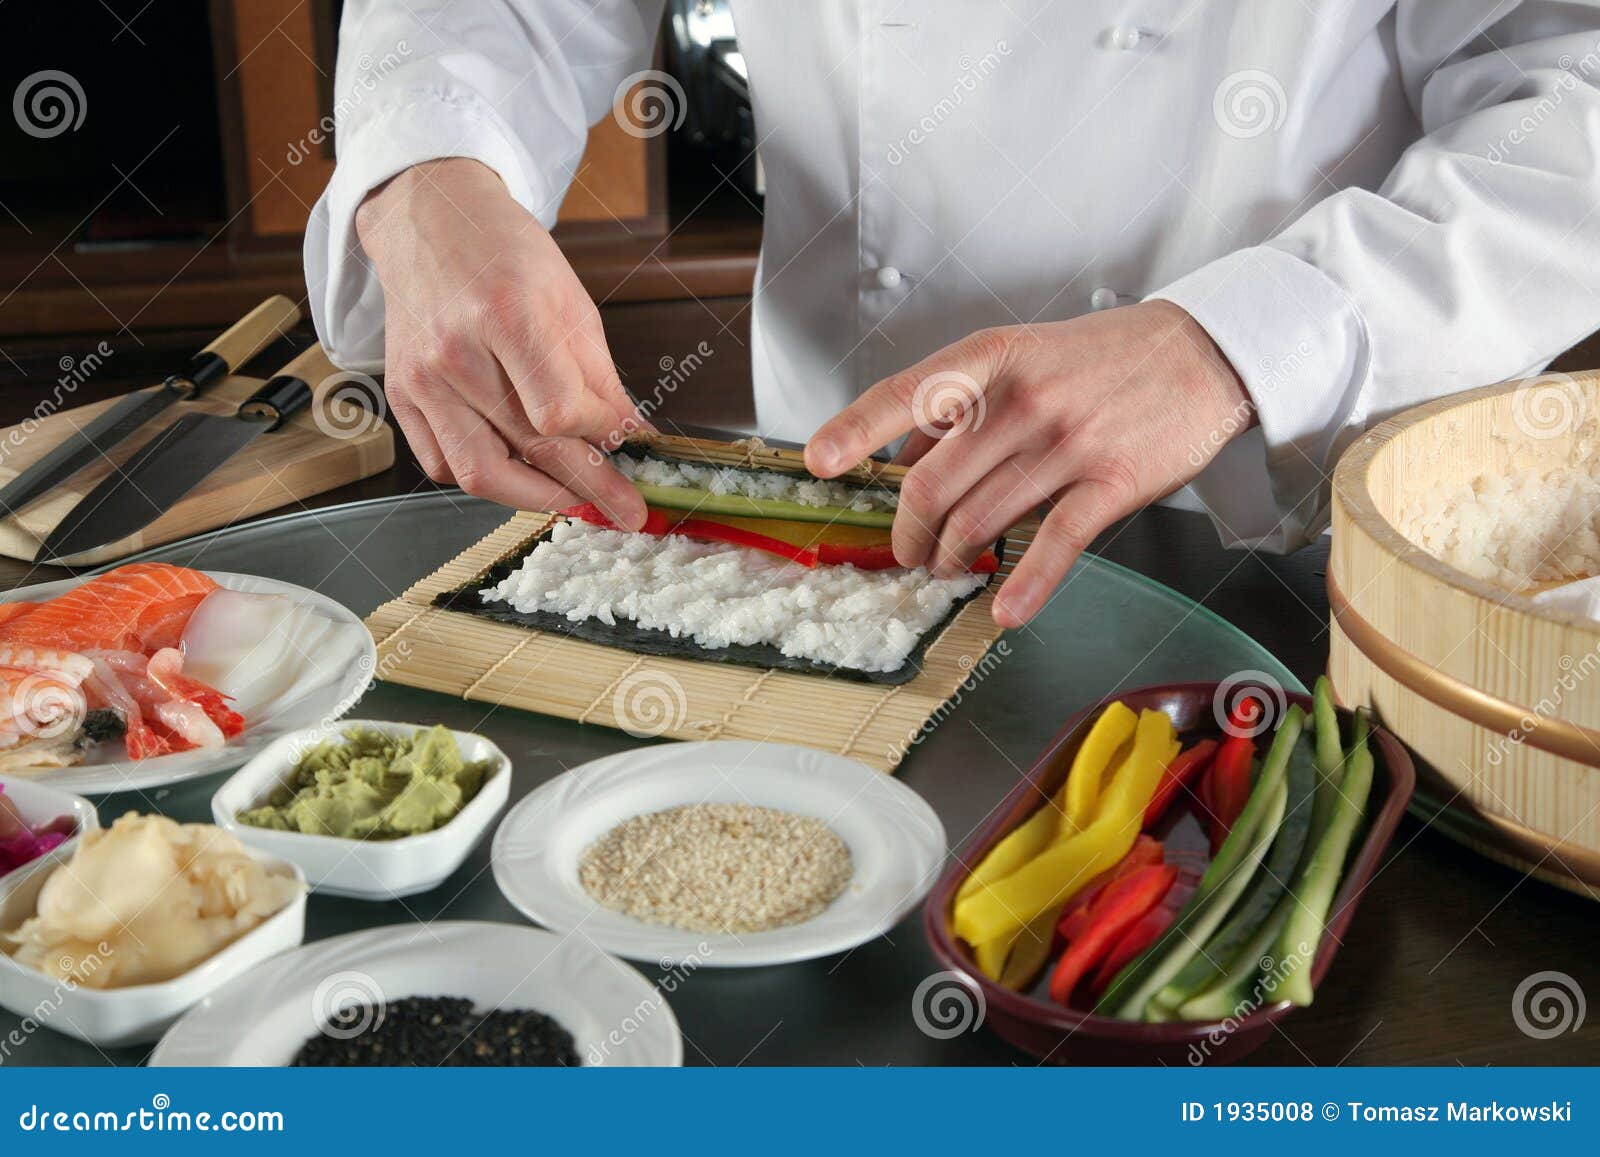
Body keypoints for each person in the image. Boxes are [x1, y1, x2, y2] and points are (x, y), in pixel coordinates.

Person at [306, 1, 1600, 628]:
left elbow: (1573, 77)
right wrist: (428, 173)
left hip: (1289, 523)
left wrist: (1243, 336)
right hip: (838, 531)